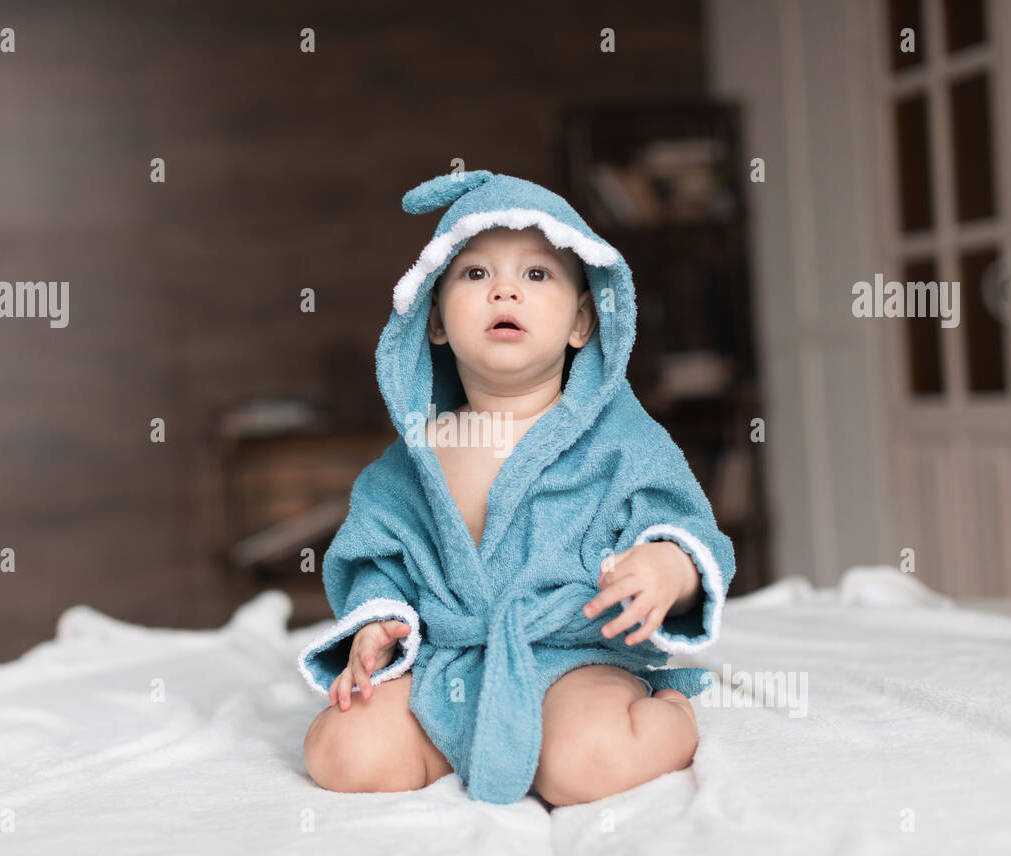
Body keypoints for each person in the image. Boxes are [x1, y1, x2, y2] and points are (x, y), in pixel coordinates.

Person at [298, 170, 735, 806]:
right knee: (343, 752)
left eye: (537, 274)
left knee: (588, 764)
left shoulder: (620, 443)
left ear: (582, 321)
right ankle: (463, 747)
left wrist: (669, 565)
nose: (505, 289)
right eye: (474, 275)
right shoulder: (419, 452)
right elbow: (377, 558)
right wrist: (378, 624)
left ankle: (669, 710)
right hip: (452, 667)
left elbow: (692, 530)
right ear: (436, 320)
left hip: (575, 657)